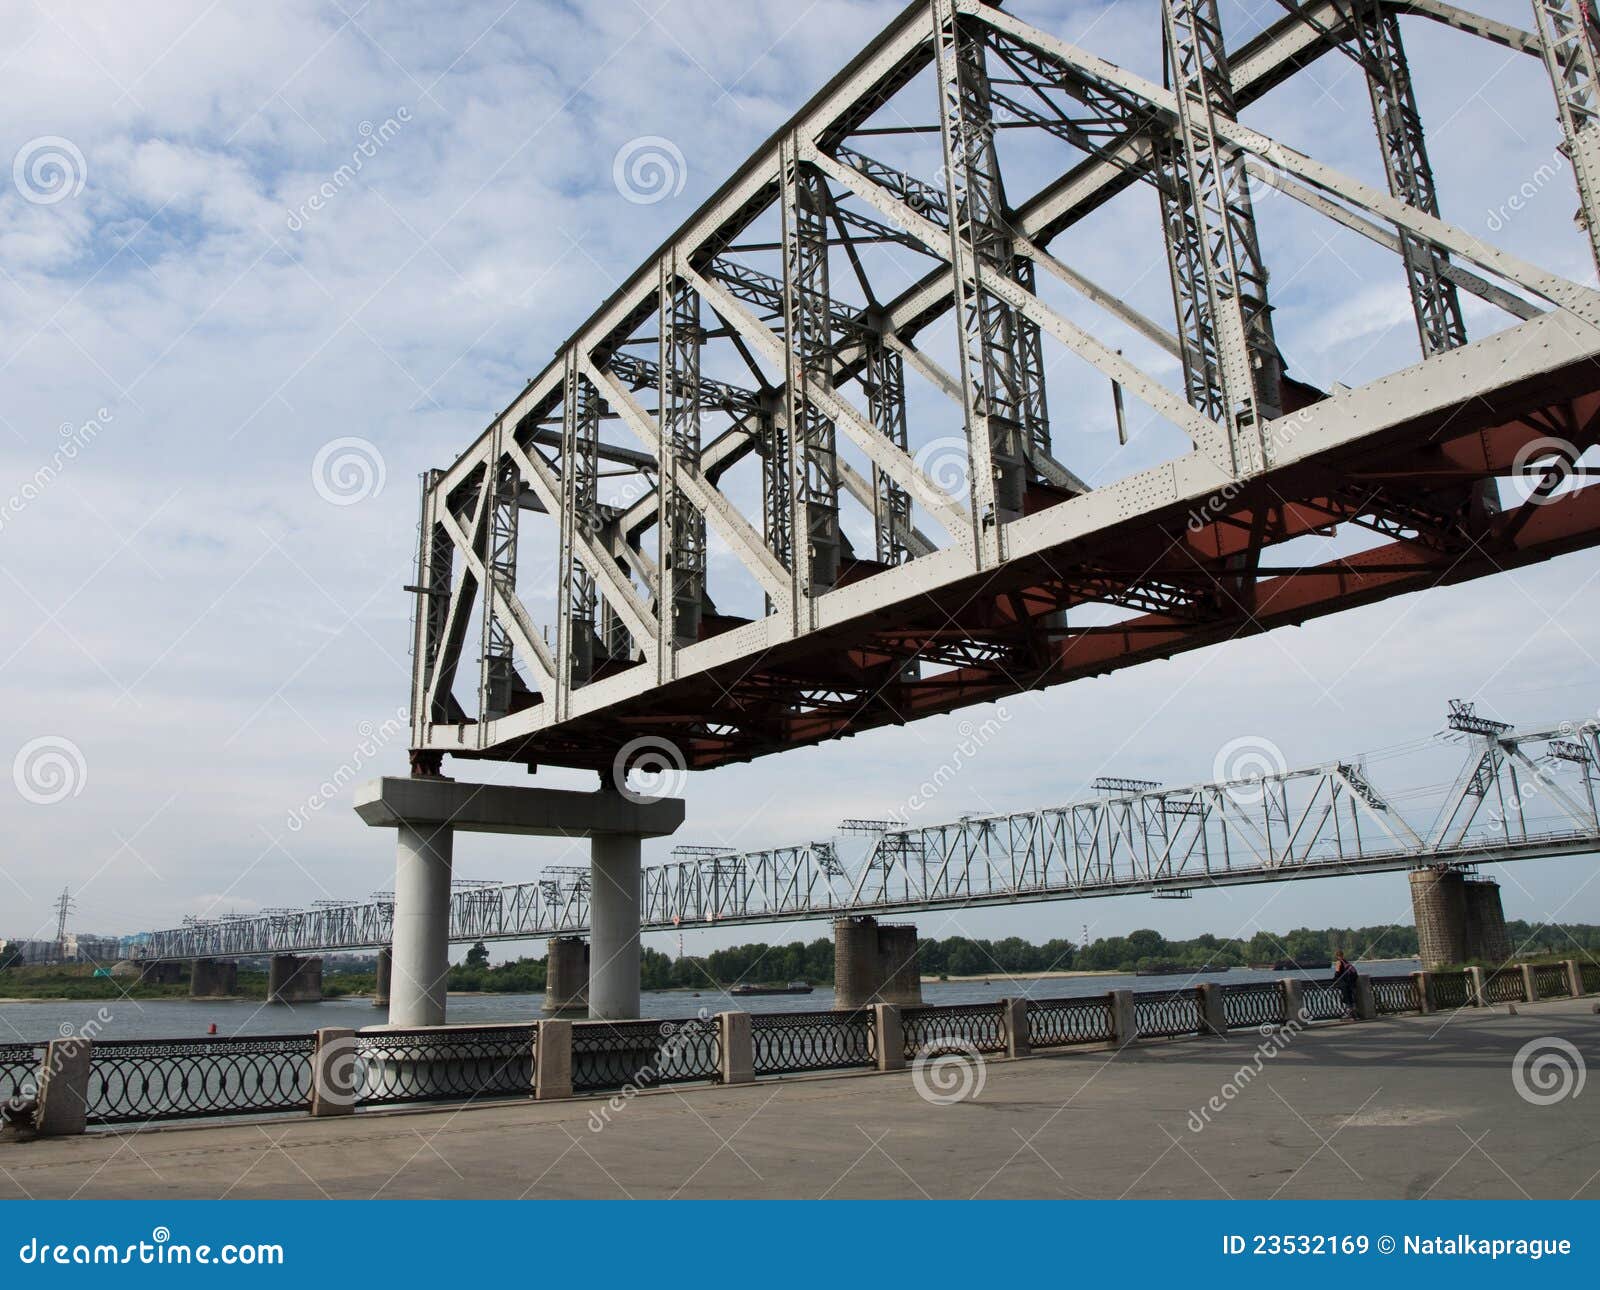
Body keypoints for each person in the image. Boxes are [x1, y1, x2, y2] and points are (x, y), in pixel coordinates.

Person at [1332, 951, 1359, 1019]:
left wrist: (1334, 980)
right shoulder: (1346, 962)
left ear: (1337, 956)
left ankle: (1349, 1014)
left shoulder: (1339, 962)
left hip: (1344, 983)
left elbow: (1337, 973)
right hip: (1351, 983)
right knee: (1350, 998)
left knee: (1346, 998)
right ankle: (1354, 1014)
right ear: (1343, 955)